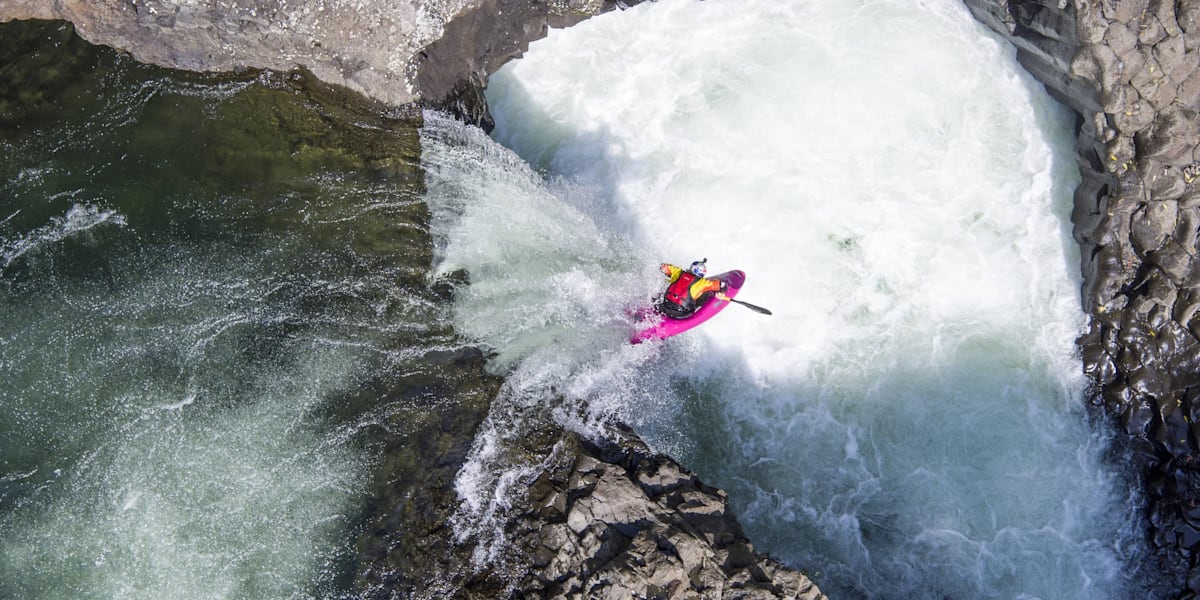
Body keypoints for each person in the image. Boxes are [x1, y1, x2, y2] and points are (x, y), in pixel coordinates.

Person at [656, 258, 730, 319]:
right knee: (706, 292)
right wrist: (722, 292)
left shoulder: (678, 272)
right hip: (681, 313)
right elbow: (722, 285)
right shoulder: (702, 283)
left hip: (664, 307)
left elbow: (663, 267)